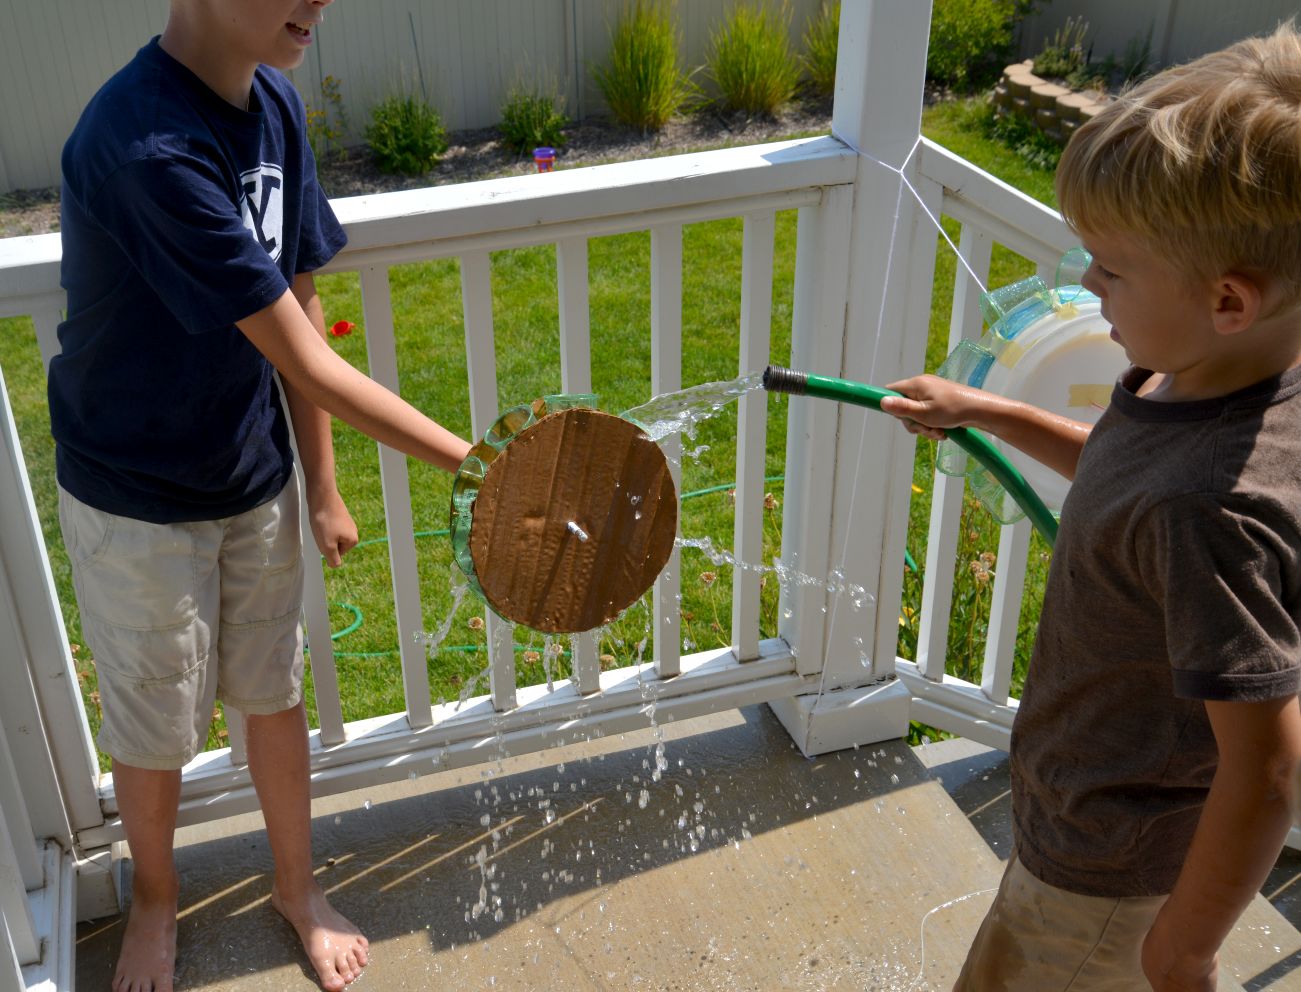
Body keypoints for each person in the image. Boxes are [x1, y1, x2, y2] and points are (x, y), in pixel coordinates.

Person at [50, 1, 470, 989]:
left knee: (274, 692)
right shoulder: (144, 143)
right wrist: (485, 462)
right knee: (155, 726)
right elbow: (312, 364)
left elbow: (303, 300)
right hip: (135, 497)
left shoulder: (275, 102)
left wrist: (321, 482)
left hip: (252, 473)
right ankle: (156, 900)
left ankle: (296, 887)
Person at [880, 22, 1301, 992]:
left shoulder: (1206, 508)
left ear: (1227, 299)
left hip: (1108, 865)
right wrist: (990, 410)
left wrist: (1183, 946)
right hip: (1086, 820)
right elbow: (1122, 473)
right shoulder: (1195, 384)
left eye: (1107, 265)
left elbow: (1268, 764)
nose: (1082, 280)